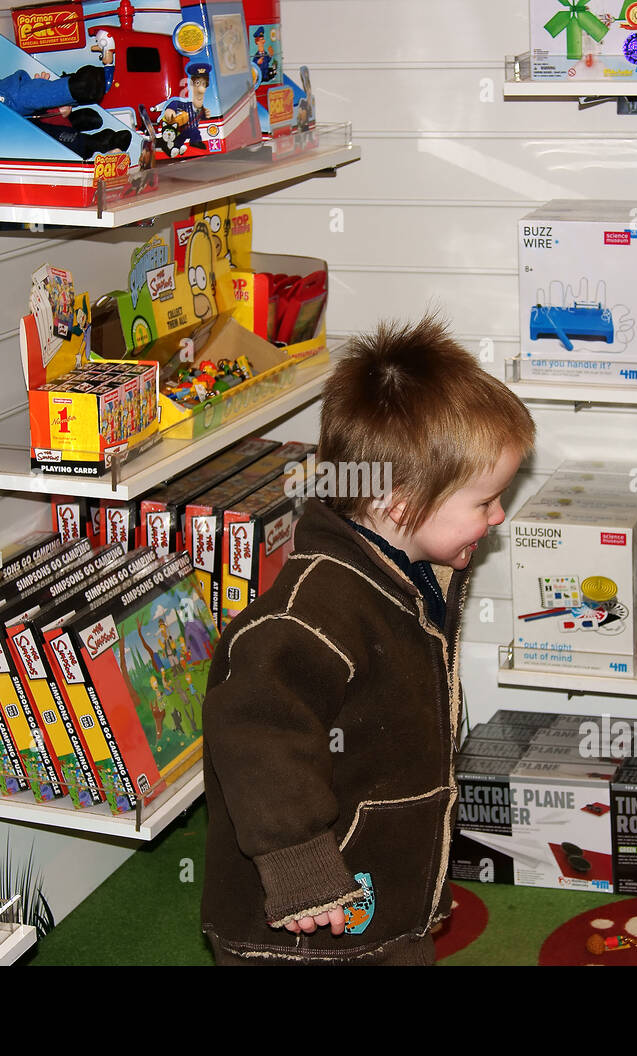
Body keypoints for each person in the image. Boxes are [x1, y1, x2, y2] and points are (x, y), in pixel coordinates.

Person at [200, 314, 535, 965]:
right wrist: (300, 868)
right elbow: (252, 726)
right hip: (303, 923)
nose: (497, 517)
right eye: (485, 501)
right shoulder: (315, 612)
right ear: (401, 503)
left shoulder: (408, 575)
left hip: (380, 887)